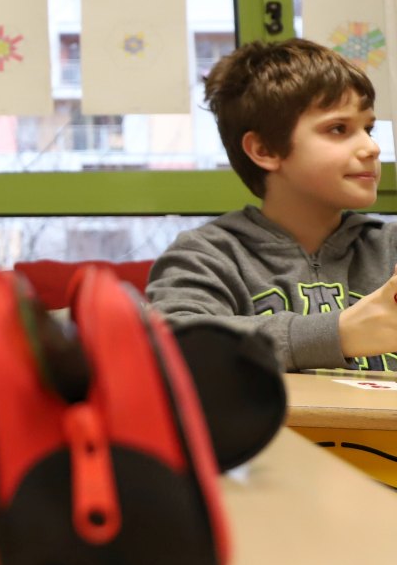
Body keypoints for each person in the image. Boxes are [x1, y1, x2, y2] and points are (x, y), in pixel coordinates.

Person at [148, 37, 397, 372]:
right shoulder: (208, 255)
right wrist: (338, 334)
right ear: (264, 150)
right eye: (339, 129)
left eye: (368, 129)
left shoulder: (389, 247)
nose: (371, 148)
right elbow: (177, 344)